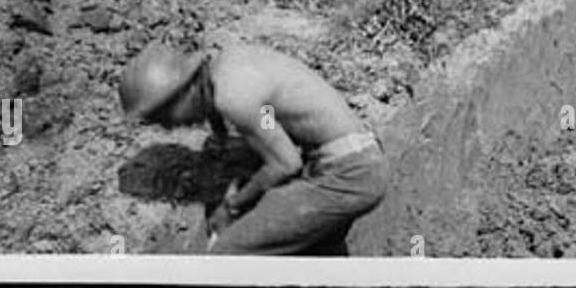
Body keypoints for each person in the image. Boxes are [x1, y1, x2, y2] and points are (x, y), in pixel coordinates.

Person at [120, 40, 388, 255]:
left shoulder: (234, 97)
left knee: (229, 252)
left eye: (166, 117)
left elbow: (286, 164)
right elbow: (265, 114)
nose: (169, 128)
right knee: (313, 254)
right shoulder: (226, 65)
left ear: (185, 92)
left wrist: (233, 206)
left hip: (349, 176)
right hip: (353, 160)